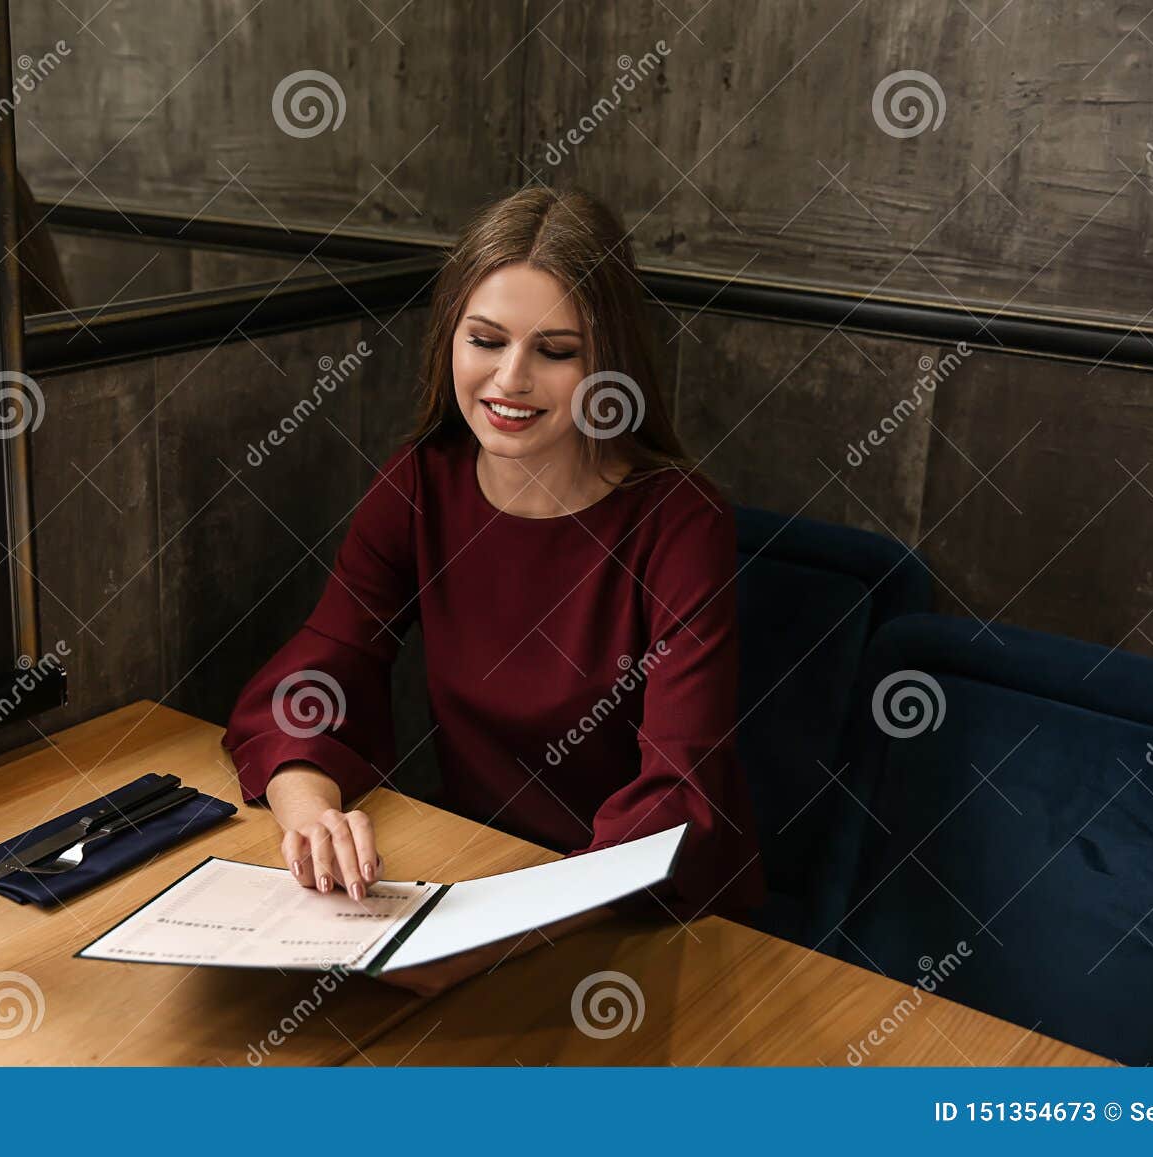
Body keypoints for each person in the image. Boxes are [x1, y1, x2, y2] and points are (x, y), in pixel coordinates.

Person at [220, 185, 764, 993]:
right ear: (452, 339)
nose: (510, 379)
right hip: (480, 877)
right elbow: (321, 669)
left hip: (647, 917)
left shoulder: (682, 521)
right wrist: (311, 812)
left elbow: (680, 792)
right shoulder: (420, 484)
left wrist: (503, 926)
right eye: (486, 339)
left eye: (555, 350)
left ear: (607, 361)